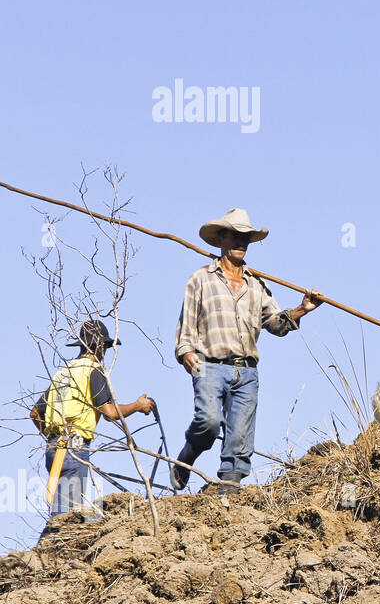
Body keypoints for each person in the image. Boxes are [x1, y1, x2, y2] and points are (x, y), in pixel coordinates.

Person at [173, 208, 323, 494]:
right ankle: (187, 456)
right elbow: (186, 325)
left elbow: (276, 323)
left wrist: (302, 309)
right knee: (208, 422)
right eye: (236, 236)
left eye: (246, 238)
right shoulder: (200, 279)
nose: (242, 242)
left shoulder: (256, 285)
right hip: (209, 365)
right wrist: (186, 353)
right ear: (221, 240)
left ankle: (229, 488)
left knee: (239, 435)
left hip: (247, 371)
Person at [30, 320, 155, 516]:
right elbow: (110, 413)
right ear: (98, 345)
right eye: (104, 347)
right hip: (75, 447)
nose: (104, 352)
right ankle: (47, 544)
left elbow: (35, 413)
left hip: (54, 449)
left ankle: (49, 543)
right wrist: (137, 406)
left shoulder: (63, 373)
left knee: (63, 507)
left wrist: (53, 439)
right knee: (64, 515)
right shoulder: (93, 370)